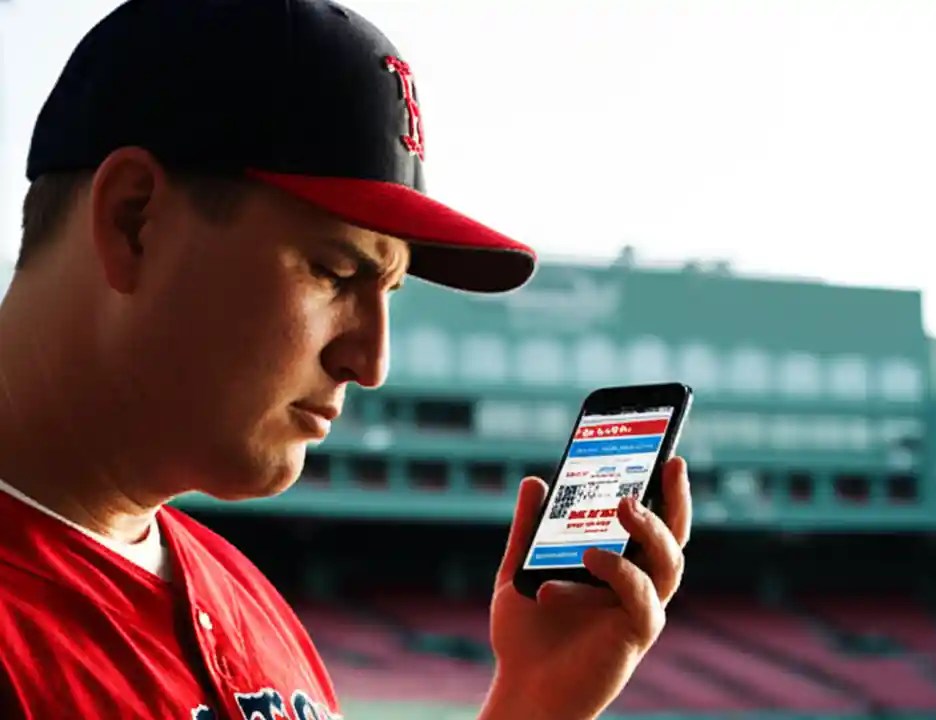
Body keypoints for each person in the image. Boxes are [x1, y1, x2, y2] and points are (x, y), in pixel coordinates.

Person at [0, 1, 692, 718]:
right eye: (334, 273)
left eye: (389, 291)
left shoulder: (244, 597)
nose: (371, 362)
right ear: (134, 219)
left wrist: (538, 698)